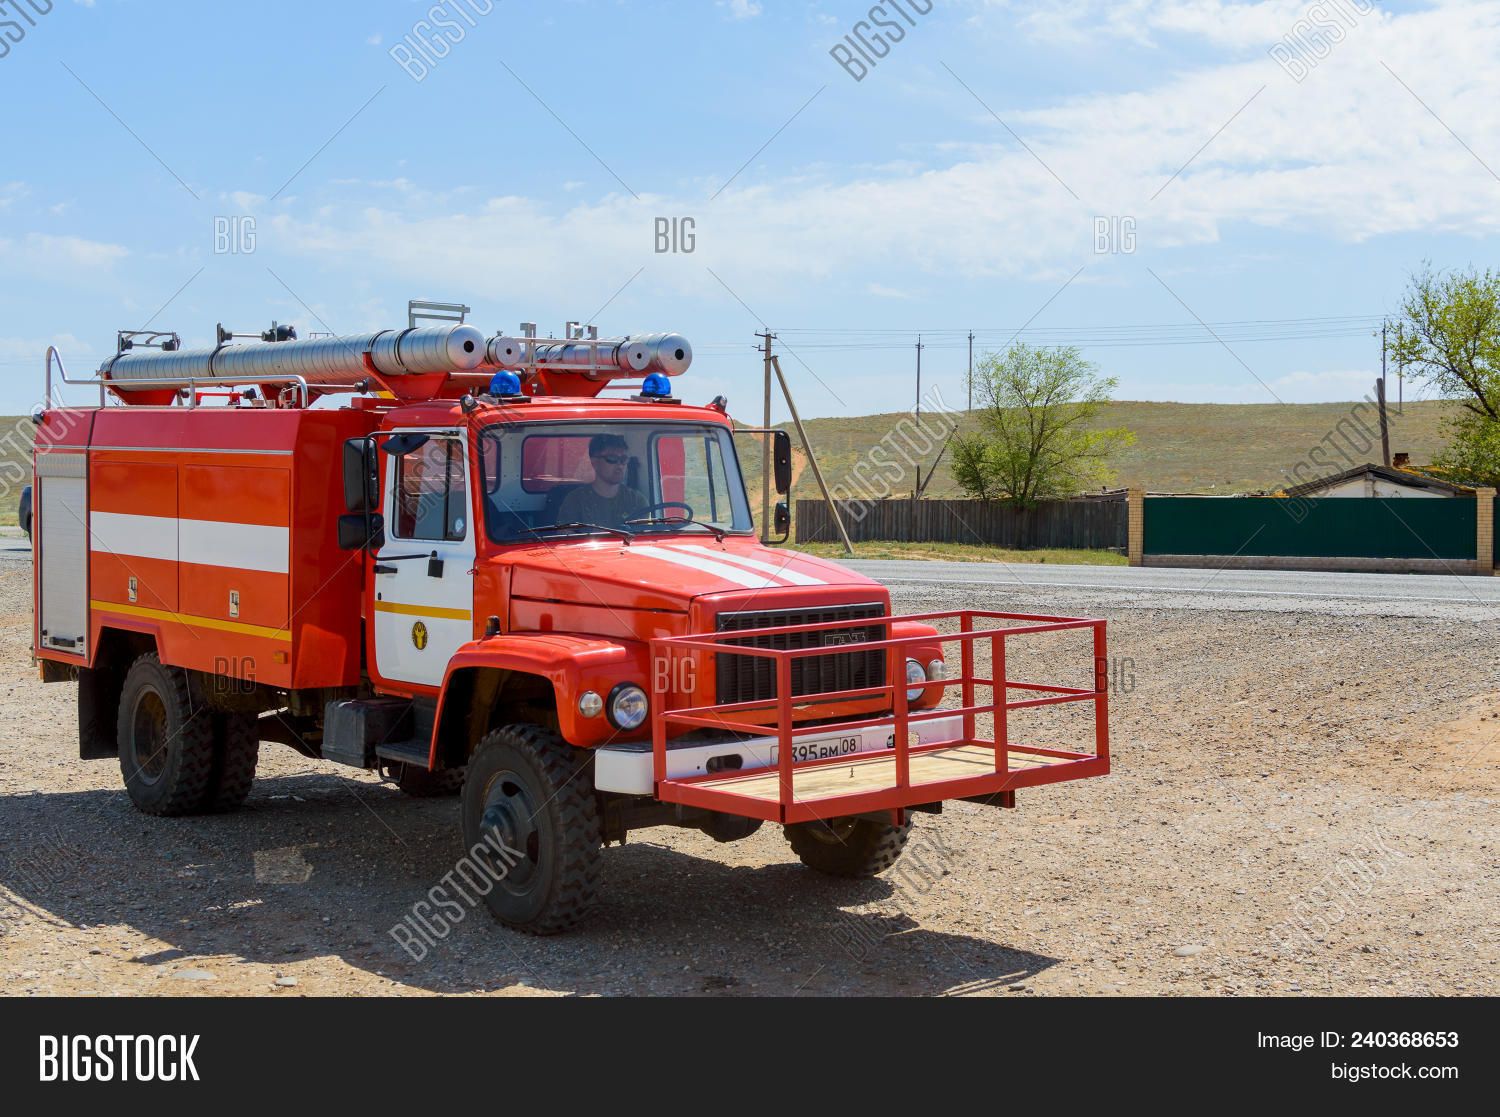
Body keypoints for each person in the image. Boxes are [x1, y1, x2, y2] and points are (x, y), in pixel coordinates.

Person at [557, 433, 646, 526]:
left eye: (623, 459)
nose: (620, 465)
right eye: (612, 459)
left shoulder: (637, 501)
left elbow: (645, 537)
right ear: (594, 462)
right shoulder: (574, 501)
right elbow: (565, 536)